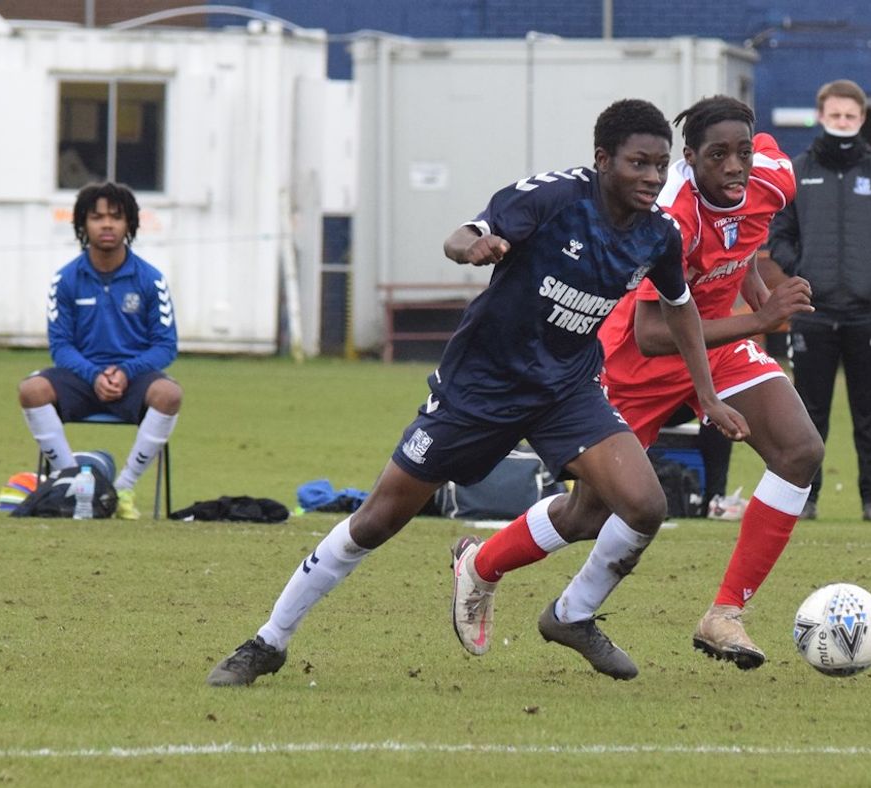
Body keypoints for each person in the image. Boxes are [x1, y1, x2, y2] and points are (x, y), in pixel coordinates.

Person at [205, 98, 748, 687]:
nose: (651, 178)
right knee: (378, 520)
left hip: (567, 388)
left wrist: (709, 395)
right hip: (481, 386)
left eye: (661, 165)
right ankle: (268, 641)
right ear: (602, 160)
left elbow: (680, 307)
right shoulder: (553, 198)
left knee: (644, 503)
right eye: (638, 163)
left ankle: (572, 614)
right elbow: (466, 232)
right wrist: (472, 247)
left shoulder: (659, 234)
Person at [450, 96, 822, 677]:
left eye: (742, 152)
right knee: (591, 514)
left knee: (800, 450)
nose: (734, 166)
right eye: (717, 155)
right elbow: (653, 333)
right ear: (689, 160)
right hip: (635, 360)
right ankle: (482, 563)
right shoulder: (670, 215)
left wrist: (755, 303)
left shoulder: (772, 177)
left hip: (716, 342)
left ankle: (721, 613)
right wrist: (762, 318)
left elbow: (743, 245)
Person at [768, 79, 871, 522]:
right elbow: (779, 234)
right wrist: (804, 272)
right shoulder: (798, 171)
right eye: (835, 116)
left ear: (862, 118)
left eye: (850, 116)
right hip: (813, 315)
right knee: (808, 416)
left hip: (870, 314)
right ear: (821, 117)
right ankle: (805, 500)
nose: (843, 122)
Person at [18, 182, 181, 520]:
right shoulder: (66, 279)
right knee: (31, 390)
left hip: (133, 379)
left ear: (130, 224)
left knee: (169, 394)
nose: (107, 225)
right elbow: (60, 346)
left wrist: (125, 372)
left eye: (116, 217)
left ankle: (121, 489)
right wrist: (94, 375)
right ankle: (71, 482)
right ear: (82, 224)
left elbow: (166, 345)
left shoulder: (151, 280)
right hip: (80, 376)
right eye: (97, 217)